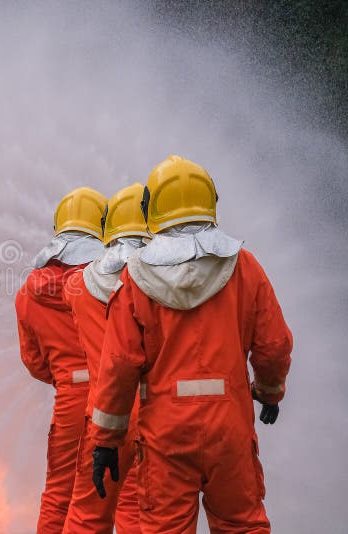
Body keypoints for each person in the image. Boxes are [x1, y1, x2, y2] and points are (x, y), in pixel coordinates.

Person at [89, 155, 293, 533]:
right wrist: (269, 393)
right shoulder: (245, 267)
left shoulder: (135, 278)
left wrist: (106, 442)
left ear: (152, 209)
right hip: (229, 430)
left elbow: (119, 365)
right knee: (242, 525)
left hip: (166, 436)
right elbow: (274, 345)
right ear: (211, 202)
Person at [16, 186, 107, 534]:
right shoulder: (114, 278)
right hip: (116, 398)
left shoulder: (29, 291)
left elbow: (34, 362)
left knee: (59, 495)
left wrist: (67, 377)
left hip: (70, 401)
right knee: (130, 493)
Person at [62, 183, 149, 533]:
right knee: (139, 513)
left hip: (102, 416)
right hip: (153, 414)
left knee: (86, 516)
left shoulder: (76, 286)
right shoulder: (155, 283)